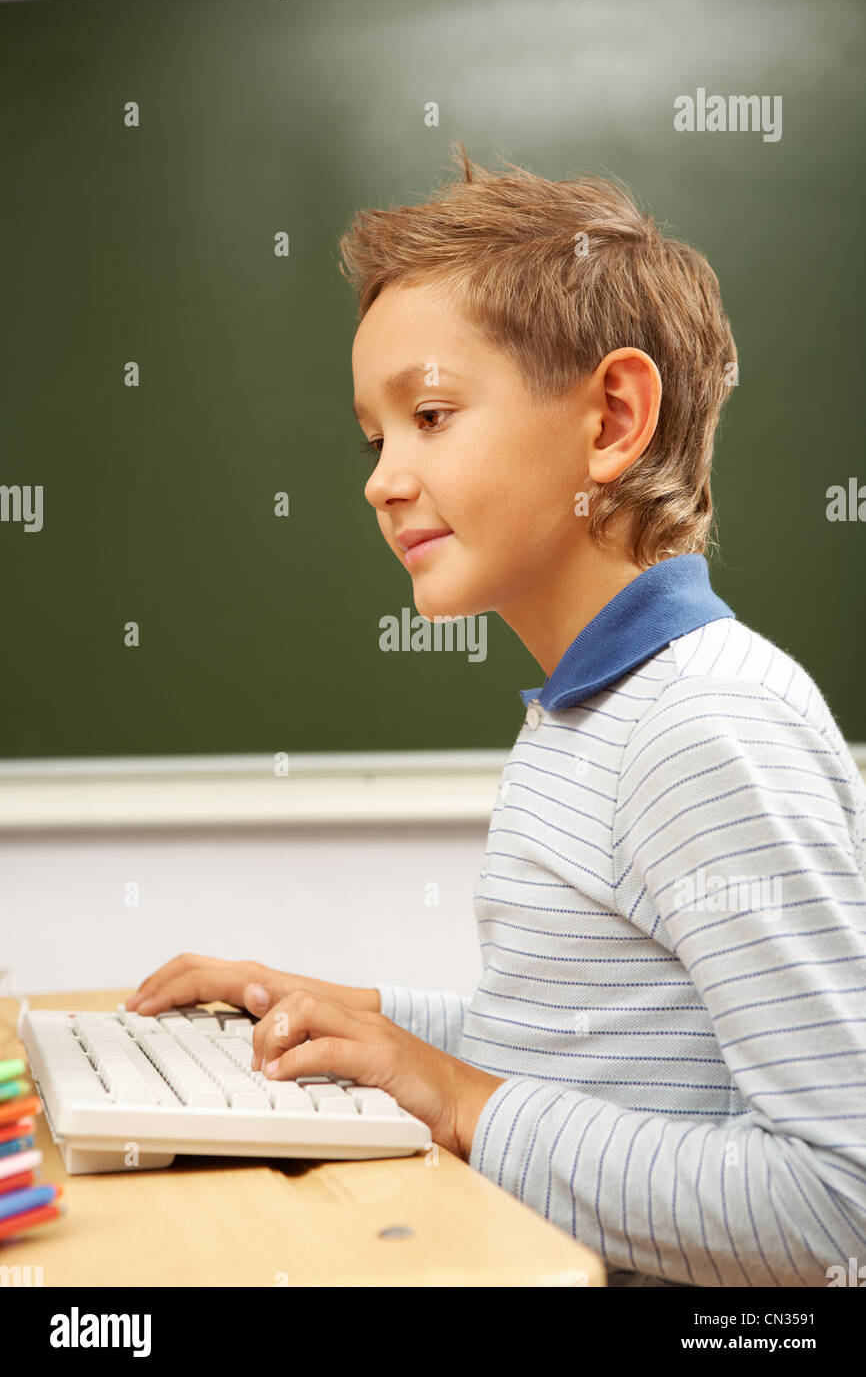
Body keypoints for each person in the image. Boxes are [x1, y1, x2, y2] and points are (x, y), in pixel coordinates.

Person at [127, 143, 866, 1286]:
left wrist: (458, 1099)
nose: (378, 478)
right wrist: (344, 1013)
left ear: (611, 418)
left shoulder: (704, 729)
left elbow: (836, 1206)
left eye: (428, 414)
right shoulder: (591, 710)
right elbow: (584, 1057)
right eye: (374, 438)